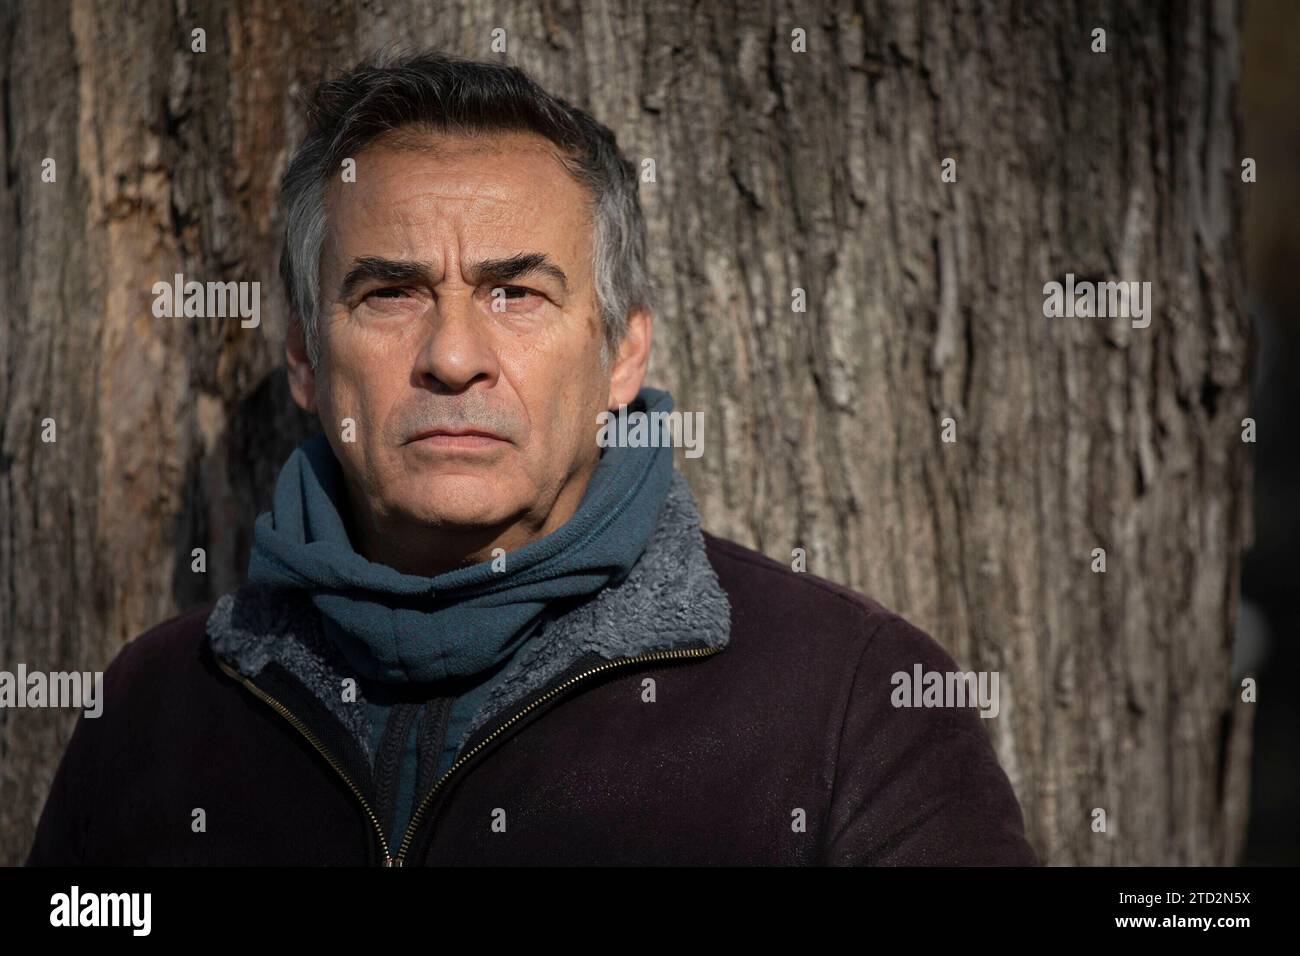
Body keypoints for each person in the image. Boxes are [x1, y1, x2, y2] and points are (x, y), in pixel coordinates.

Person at [27, 50, 1038, 866]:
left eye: (517, 292)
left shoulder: (846, 705)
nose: (454, 356)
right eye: (390, 292)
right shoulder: (155, 711)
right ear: (303, 355)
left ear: (622, 352)